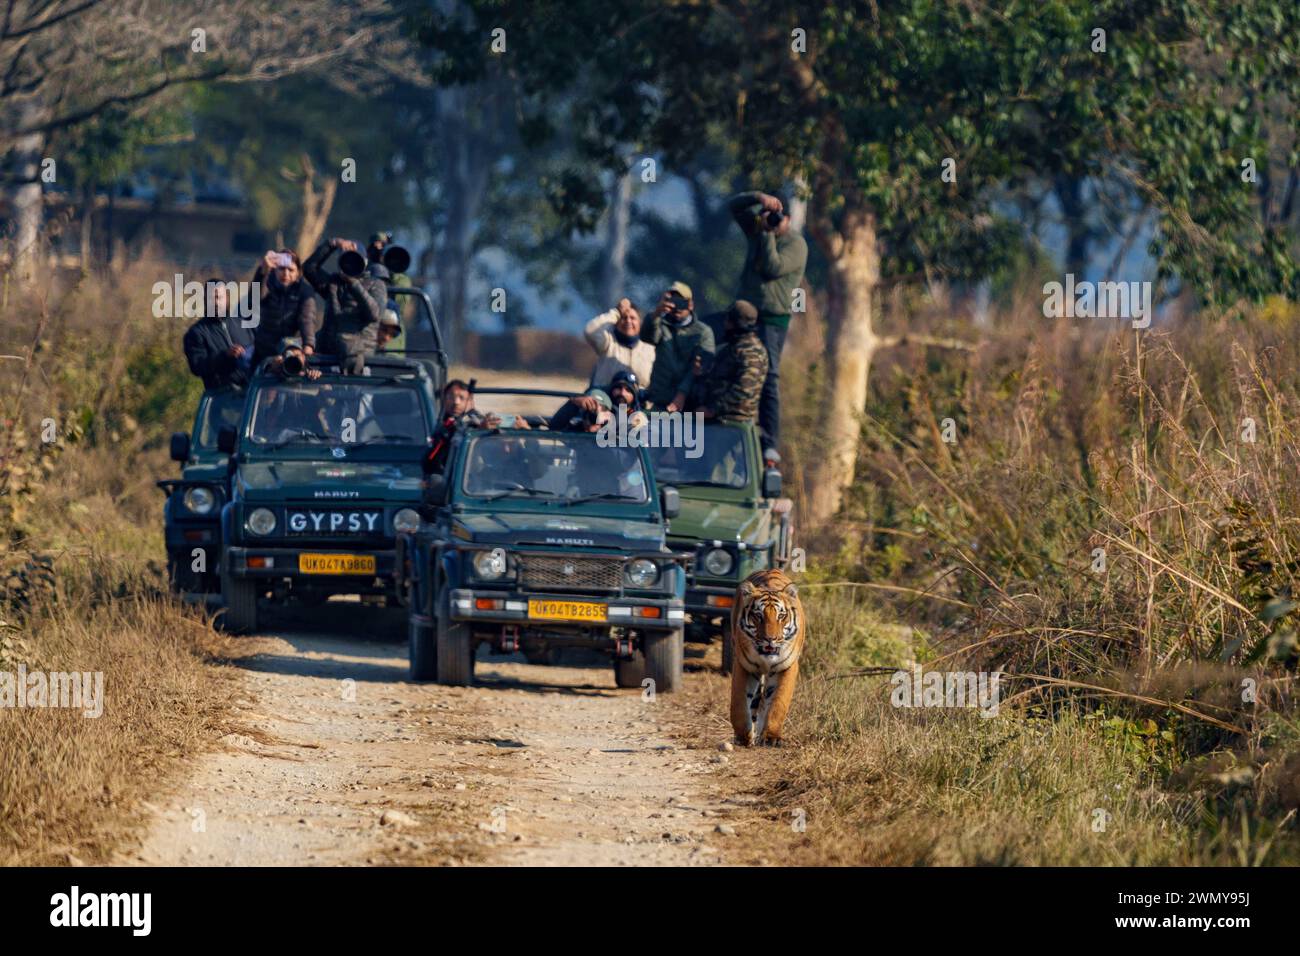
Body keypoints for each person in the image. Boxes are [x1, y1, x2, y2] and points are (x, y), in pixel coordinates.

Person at [727, 190, 809, 461]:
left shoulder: (795, 244)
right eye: (769, 217)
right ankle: (730, 420)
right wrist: (758, 198)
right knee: (730, 363)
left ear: (786, 219)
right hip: (743, 314)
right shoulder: (757, 229)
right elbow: (735, 206)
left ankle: (770, 440)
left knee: (770, 375)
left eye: (777, 217)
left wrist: (765, 234)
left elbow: (772, 268)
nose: (773, 222)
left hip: (772, 318)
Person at [303, 236, 386, 373]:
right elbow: (309, 268)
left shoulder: (376, 284)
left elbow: (374, 314)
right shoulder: (333, 283)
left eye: (356, 259)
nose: (351, 264)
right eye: (347, 259)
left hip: (359, 358)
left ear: (365, 262)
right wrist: (332, 244)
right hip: (328, 356)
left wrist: (354, 283)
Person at [688, 300, 768, 423]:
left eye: (728, 320)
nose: (725, 324)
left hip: (732, 422)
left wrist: (713, 409)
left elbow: (744, 389)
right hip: (721, 419)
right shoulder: (736, 346)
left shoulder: (750, 351)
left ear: (735, 323)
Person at [640, 280, 714, 410]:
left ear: (690, 304)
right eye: (672, 301)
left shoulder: (703, 332)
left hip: (689, 403)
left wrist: (682, 394)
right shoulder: (661, 325)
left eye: (681, 302)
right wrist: (657, 312)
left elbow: (700, 366)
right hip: (661, 401)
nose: (676, 306)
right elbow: (647, 337)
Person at [183, 279, 256, 390]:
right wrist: (225, 356)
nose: (216, 303)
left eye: (219, 297)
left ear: (227, 298)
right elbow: (197, 366)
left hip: (251, 396)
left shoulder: (243, 324)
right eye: (211, 298)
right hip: (220, 399)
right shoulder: (196, 333)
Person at [252, 249, 319, 360]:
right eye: (282, 268)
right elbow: (254, 300)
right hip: (265, 349)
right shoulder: (268, 282)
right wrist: (262, 272)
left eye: (291, 270)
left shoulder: (305, 290)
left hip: (292, 348)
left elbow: (307, 319)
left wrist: (308, 345)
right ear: (275, 269)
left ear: (298, 272)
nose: (286, 274)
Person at [584, 297, 655, 389]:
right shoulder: (607, 342)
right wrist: (616, 312)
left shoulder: (651, 348)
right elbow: (590, 330)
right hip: (605, 398)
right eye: (624, 318)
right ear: (616, 321)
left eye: (633, 318)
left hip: (638, 399)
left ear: (640, 322)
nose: (628, 321)